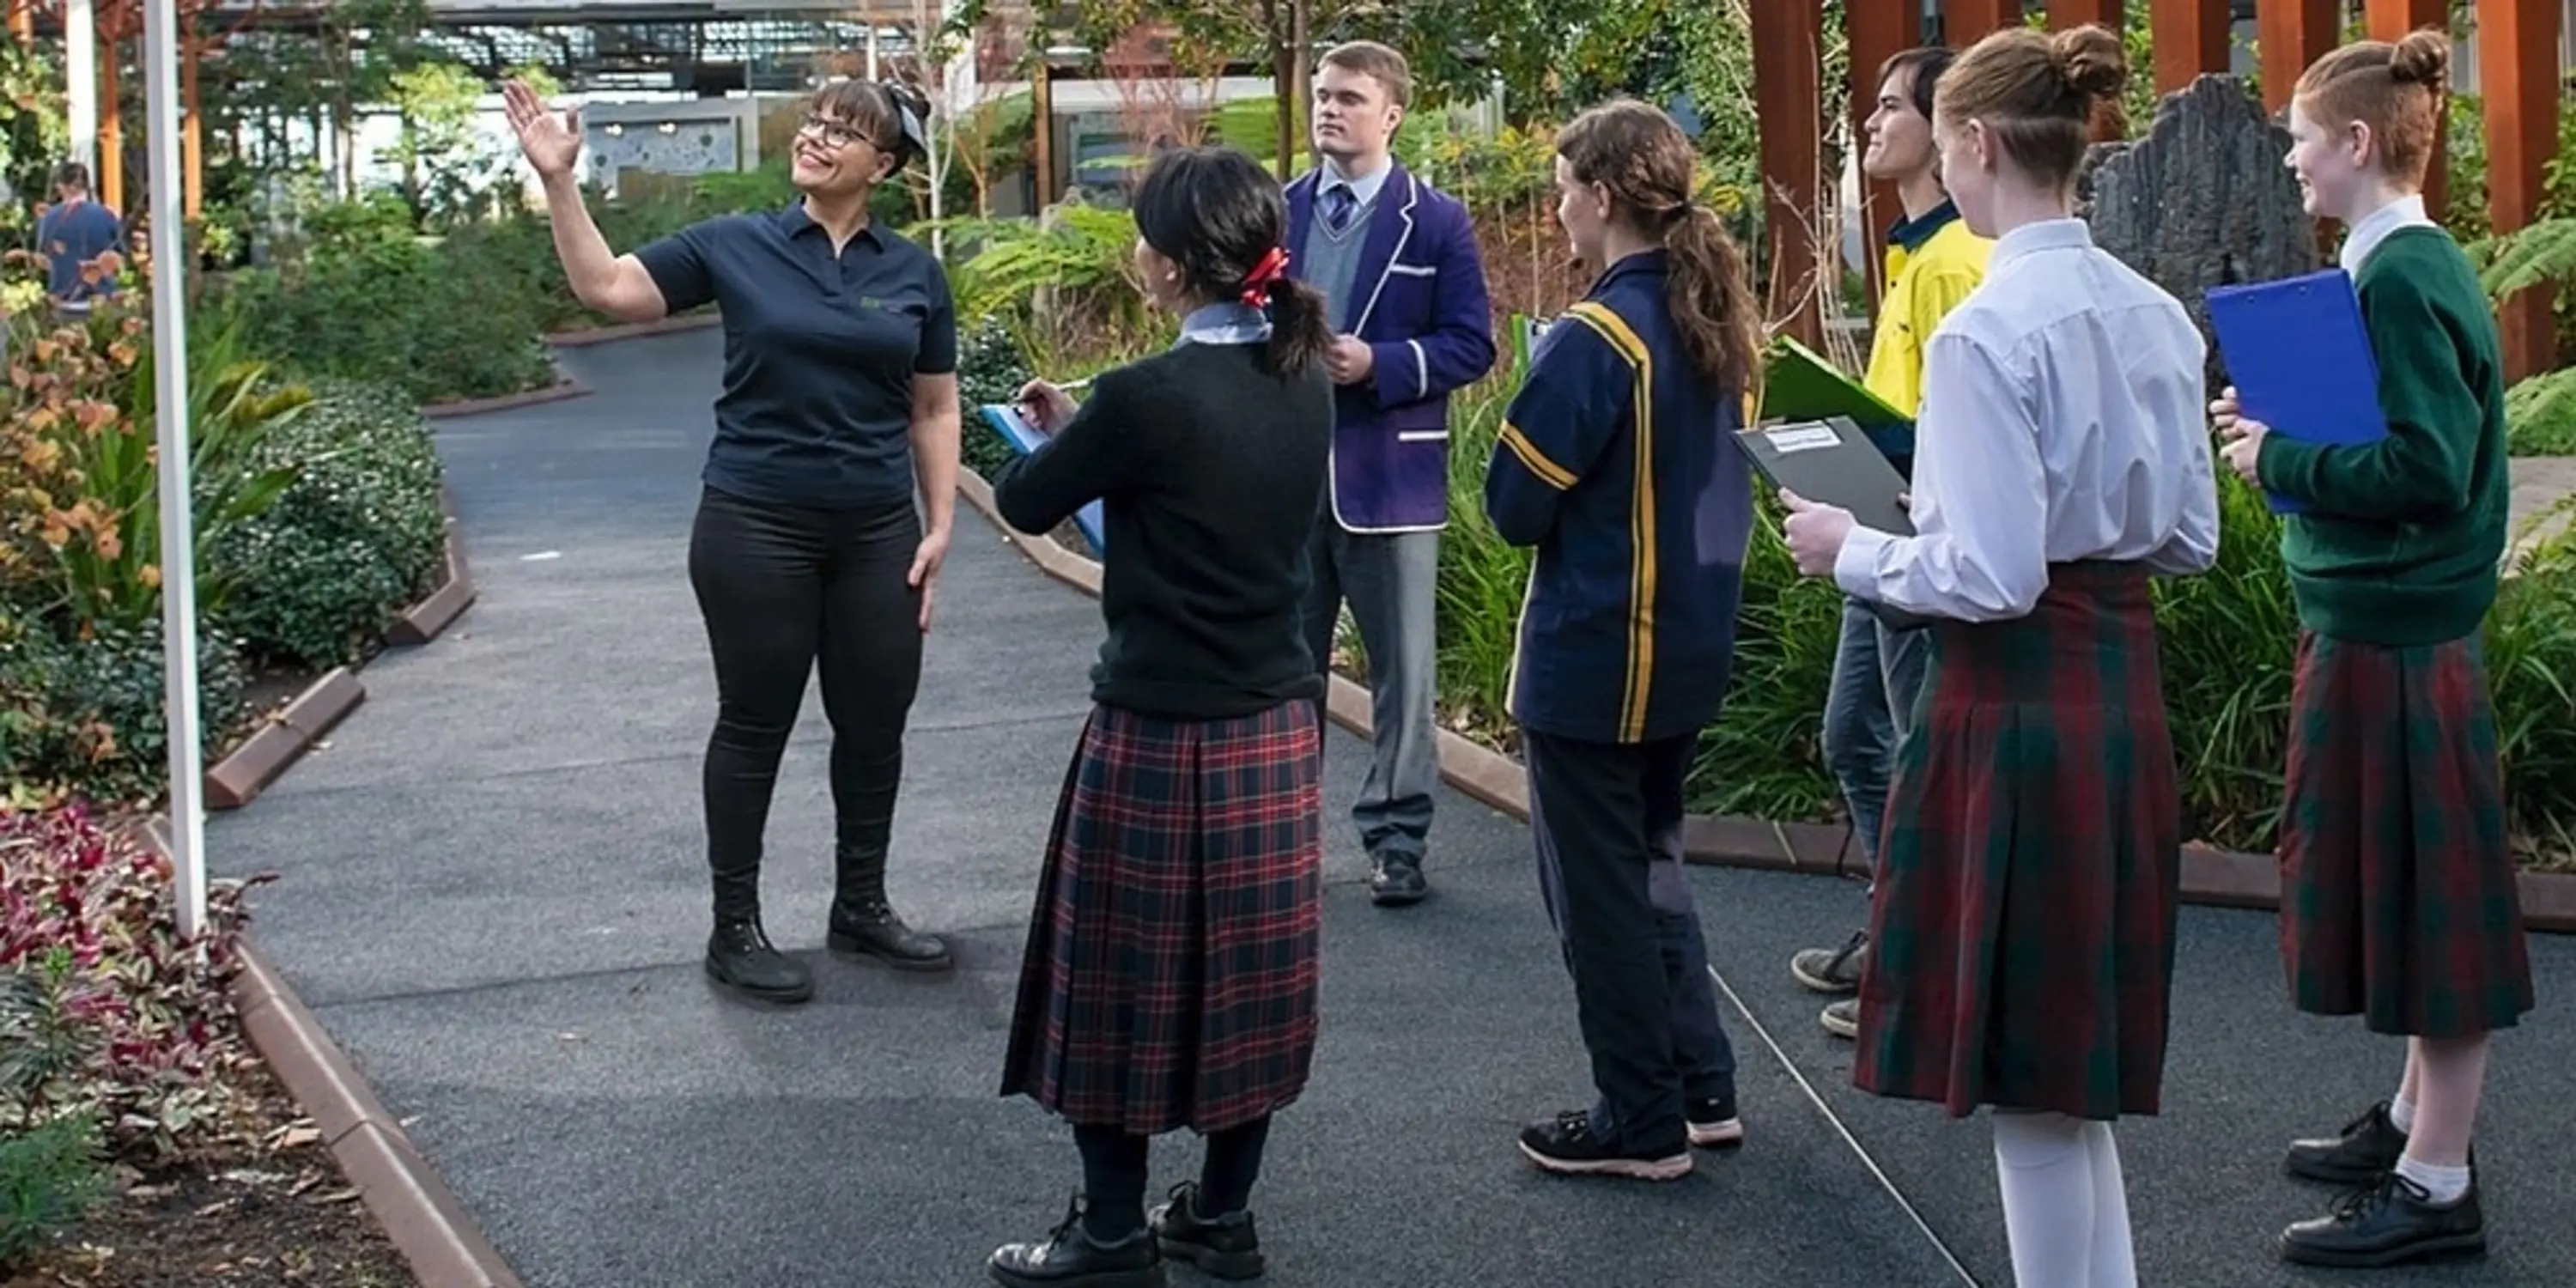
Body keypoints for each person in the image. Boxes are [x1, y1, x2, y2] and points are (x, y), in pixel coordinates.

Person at [1778, 24, 2218, 1285]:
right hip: (2119, 696)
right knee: (2070, 1074)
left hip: (2012, 705)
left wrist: (1850, 547)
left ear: (1973, 142)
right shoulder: (2156, 314)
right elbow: (2189, 540)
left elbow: (1989, 577)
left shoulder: (1983, 333)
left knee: (2032, 1081)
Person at [501, 77, 962, 1004]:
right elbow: (608, 288)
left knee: (876, 722)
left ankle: (861, 905)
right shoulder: (737, 244)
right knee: (755, 723)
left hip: (877, 529)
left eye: (843, 132)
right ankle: (735, 928)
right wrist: (558, 179)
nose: (817, 137)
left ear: (883, 166)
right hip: (757, 521)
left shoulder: (913, 273)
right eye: (815, 122)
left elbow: (934, 405)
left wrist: (941, 524)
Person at [985, 143, 1335, 1287]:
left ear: (1172, 265)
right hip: (1272, 722)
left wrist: (1064, 430)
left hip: (1157, 722)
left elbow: (1029, 501)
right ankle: (1220, 1220)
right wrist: (1093, 424)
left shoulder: (1144, 399)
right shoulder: (1307, 374)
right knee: (1253, 983)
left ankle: (1109, 1233)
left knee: (1116, 982)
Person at [2213, 27, 2529, 1269]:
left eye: (2300, 140)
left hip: (2397, 637)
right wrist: (2280, 429)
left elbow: (2428, 469)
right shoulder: (2397, 263)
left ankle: (2439, 1183)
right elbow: (2403, 438)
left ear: (2352, 141)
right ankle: (2411, 1127)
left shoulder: (2398, 276)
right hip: (2384, 630)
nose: (2291, 160)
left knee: (2437, 914)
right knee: (2410, 891)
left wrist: (2279, 457)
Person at [1484, 98, 1760, 1181]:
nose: (1557, 211)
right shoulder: (1713, 319)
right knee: (1652, 872)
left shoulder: (1598, 337)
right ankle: (1700, 1089)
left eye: (1562, 191)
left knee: (1599, 900)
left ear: (1600, 198)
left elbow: (1514, 506)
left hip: (1599, 650)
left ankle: (1639, 1119)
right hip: (1687, 641)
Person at [1787, 43, 1993, 1043]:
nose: (1872, 122)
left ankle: (1926, 963)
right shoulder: (1915, 252)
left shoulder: (1954, 261)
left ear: (1944, 129)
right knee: (1854, 736)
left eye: (1891, 107)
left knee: (1911, 746)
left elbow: (1958, 422)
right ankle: (1898, 927)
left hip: (1911, 539)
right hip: (1872, 527)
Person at [1286, 39, 1498, 908]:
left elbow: (1472, 345)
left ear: (1393, 114)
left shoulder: (1436, 220)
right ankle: (1280, 839)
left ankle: (1398, 841)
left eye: (1349, 97)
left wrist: (1381, 362)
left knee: (1403, 678)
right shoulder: (1278, 211)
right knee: (1284, 670)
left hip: (1391, 478)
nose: (1329, 109)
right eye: (1322, 94)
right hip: (1287, 475)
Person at [33, 161, 125, 314]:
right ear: (87, 186)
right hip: (101, 300)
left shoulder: (49, 218)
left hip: (62, 298)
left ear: (61, 186)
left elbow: (43, 259)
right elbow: (119, 257)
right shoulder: (107, 215)